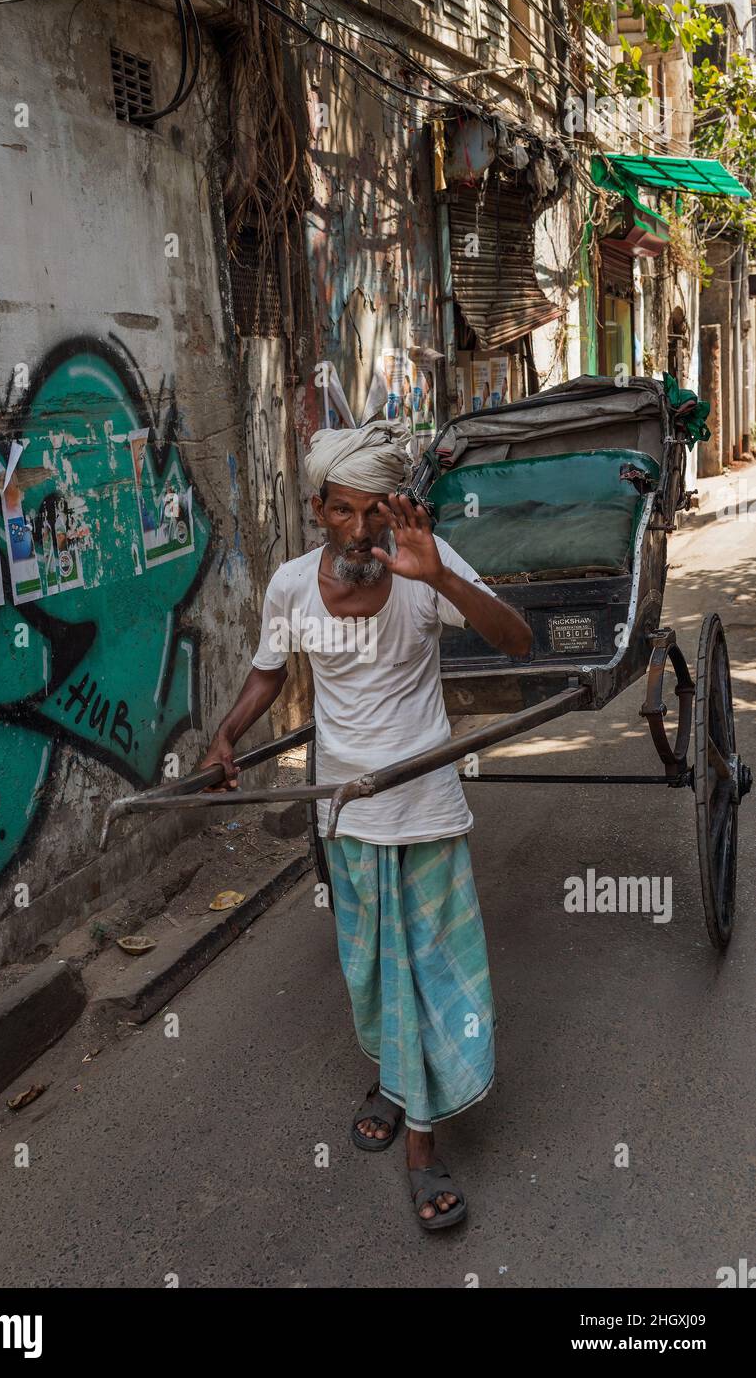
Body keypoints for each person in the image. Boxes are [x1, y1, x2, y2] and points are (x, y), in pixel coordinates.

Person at [200, 421, 532, 1231]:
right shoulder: (287, 586)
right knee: (371, 968)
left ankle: (424, 1141)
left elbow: (515, 641)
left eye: (373, 514)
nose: (360, 531)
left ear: (394, 507)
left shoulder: (426, 563)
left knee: (431, 973)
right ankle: (392, 1076)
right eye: (343, 513)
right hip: (346, 813)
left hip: (423, 807)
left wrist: (443, 581)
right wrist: (227, 733)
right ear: (317, 509)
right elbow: (270, 669)